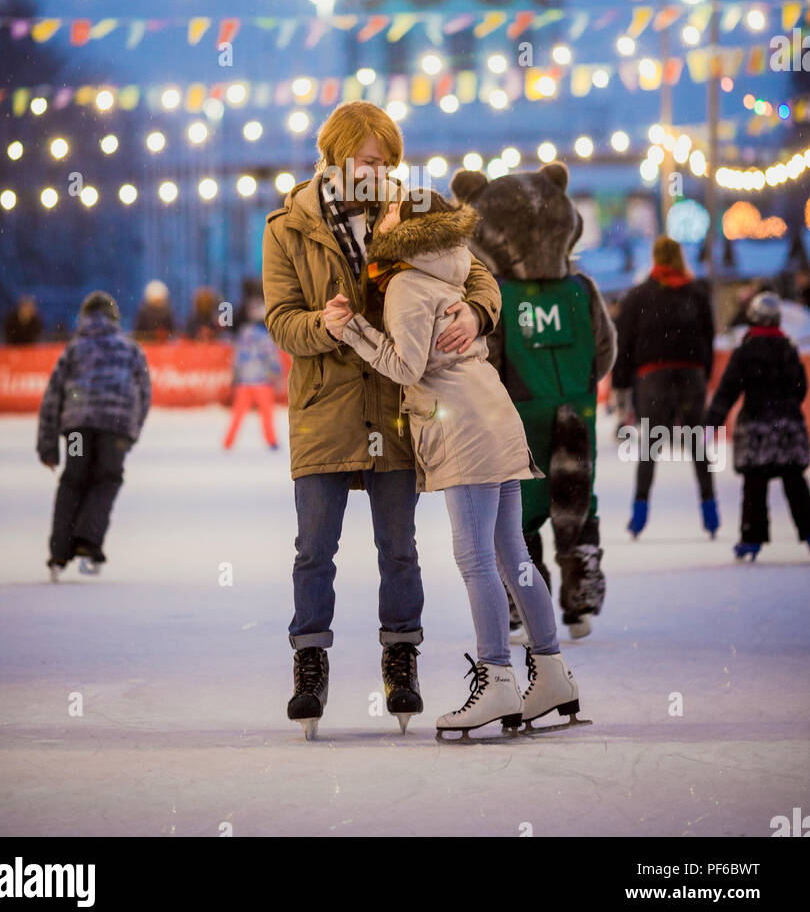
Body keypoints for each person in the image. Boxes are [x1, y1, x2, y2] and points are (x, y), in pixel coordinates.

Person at [261, 100, 502, 738]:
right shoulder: (288, 227)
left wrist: (477, 313)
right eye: (369, 160)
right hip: (325, 410)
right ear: (337, 154)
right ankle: (309, 665)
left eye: (388, 162)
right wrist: (324, 324)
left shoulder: (412, 211)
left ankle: (401, 660)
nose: (380, 173)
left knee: (399, 549)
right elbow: (282, 320)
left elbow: (480, 278)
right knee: (314, 550)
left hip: (399, 407)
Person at [332, 192, 587, 740]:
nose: (387, 215)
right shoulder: (453, 268)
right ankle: (552, 672)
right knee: (512, 552)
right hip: (496, 414)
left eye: (396, 213)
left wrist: (352, 328)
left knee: (475, 559)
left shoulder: (405, 283)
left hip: (462, 427)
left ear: (411, 232)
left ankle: (496, 678)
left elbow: (405, 366)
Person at [37, 291, 152, 579]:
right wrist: (132, 431)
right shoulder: (130, 349)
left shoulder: (74, 350)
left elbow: (53, 397)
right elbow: (145, 393)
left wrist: (48, 446)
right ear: (115, 317)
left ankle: (59, 553)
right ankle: (88, 542)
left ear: (84, 317)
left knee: (73, 480)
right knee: (106, 478)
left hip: (78, 429)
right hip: (115, 428)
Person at [612, 235, 718, 538]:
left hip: (653, 377)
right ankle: (710, 513)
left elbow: (625, 342)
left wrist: (622, 382)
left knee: (650, 446)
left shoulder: (638, 296)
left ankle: (639, 514)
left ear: (656, 258)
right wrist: (704, 372)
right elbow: (708, 337)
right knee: (697, 444)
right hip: (691, 375)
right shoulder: (697, 293)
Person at [706, 291, 810, 560]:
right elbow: (801, 387)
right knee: (795, 482)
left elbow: (727, 390)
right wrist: (785, 407)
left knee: (754, 484)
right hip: (787, 426)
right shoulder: (789, 350)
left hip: (755, 427)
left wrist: (711, 424)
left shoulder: (745, 351)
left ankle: (751, 539)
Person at [223, 292, 282, 450]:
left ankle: (228, 442)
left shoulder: (243, 333)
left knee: (237, 415)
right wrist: (277, 373)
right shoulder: (266, 336)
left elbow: (236, 357)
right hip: (262, 381)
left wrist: (235, 375)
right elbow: (271, 356)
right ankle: (271, 441)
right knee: (267, 415)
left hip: (244, 381)